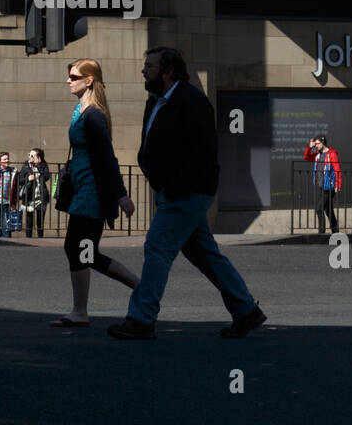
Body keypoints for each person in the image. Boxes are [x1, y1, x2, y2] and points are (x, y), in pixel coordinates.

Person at [108, 48, 265, 340]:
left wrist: (178, 186)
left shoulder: (192, 101)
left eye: (149, 67)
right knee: (204, 254)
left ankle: (141, 319)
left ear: (168, 72)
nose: (144, 71)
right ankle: (246, 310)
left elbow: (204, 153)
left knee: (157, 247)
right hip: (174, 190)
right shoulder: (155, 101)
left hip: (186, 192)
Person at [51, 59, 140, 326]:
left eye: (73, 76)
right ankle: (142, 290)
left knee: (78, 247)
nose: (68, 80)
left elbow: (106, 157)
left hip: (92, 193)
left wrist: (121, 194)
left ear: (89, 81)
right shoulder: (80, 110)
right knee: (85, 251)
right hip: (82, 190)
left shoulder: (93, 116)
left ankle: (82, 311)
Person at [309, 135, 342, 235]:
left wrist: (337, 184)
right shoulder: (318, 154)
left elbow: (337, 169)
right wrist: (310, 147)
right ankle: (335, 231)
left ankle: (321, 231)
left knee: (319, 209)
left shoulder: (331, 154)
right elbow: (306, 156)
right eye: (315, 144)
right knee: (328, 210)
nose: (316, 146)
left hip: (330, 186)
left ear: (323, 143)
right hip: (321, 185)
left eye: (318, 143)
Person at [19, 148, 52, 238]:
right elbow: (20, 180)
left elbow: (46, 177)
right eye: (29, 154)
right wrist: (28, 179)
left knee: (40, 221)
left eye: (32, 155)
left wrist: (38, 166)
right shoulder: (26, 166)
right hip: (30, 196)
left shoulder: (43, 165)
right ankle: (28, 238)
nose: (30, 157)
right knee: (29, 221)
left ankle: (40, 239)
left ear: (38, 157)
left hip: (41, 197)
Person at [0, 151, 17, 237]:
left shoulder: (13, 171)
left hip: (8, 201)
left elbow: (16, 188)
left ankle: (7, 239)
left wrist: (14, 203)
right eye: (4, 159)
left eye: (8, 158)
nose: (7, 160)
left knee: (7, 222)